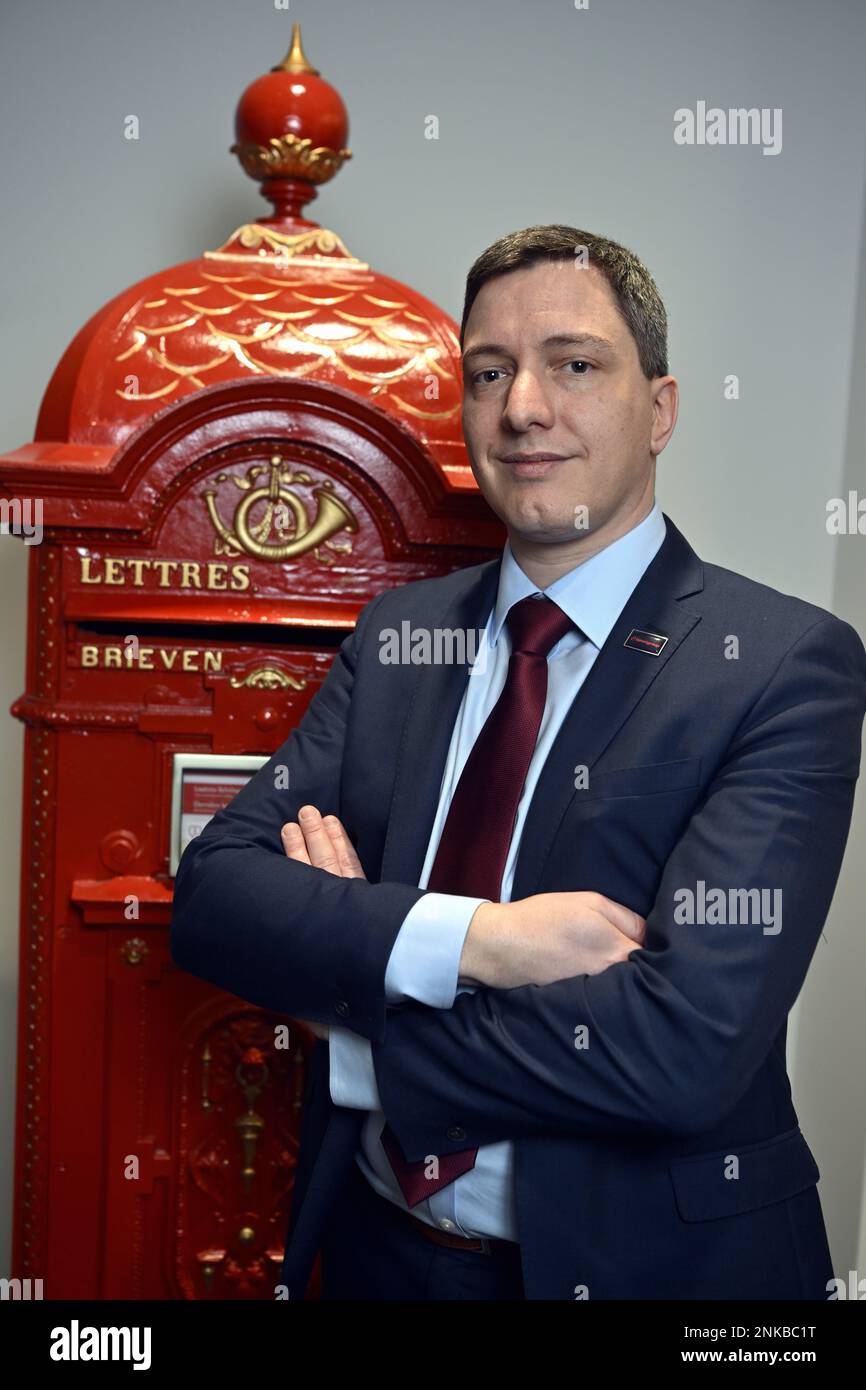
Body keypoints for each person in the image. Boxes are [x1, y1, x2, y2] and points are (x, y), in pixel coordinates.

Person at [170, 223, 866, 1301]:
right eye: (487, 371)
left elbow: (678, 1053)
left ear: (661, 408)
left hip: (650, 1275)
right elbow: (213, 897)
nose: (522, 408)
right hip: (372, 1254)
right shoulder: (399, 636)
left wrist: (355, 1010)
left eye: (573, 365)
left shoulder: (779, 665)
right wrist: (479, 941)